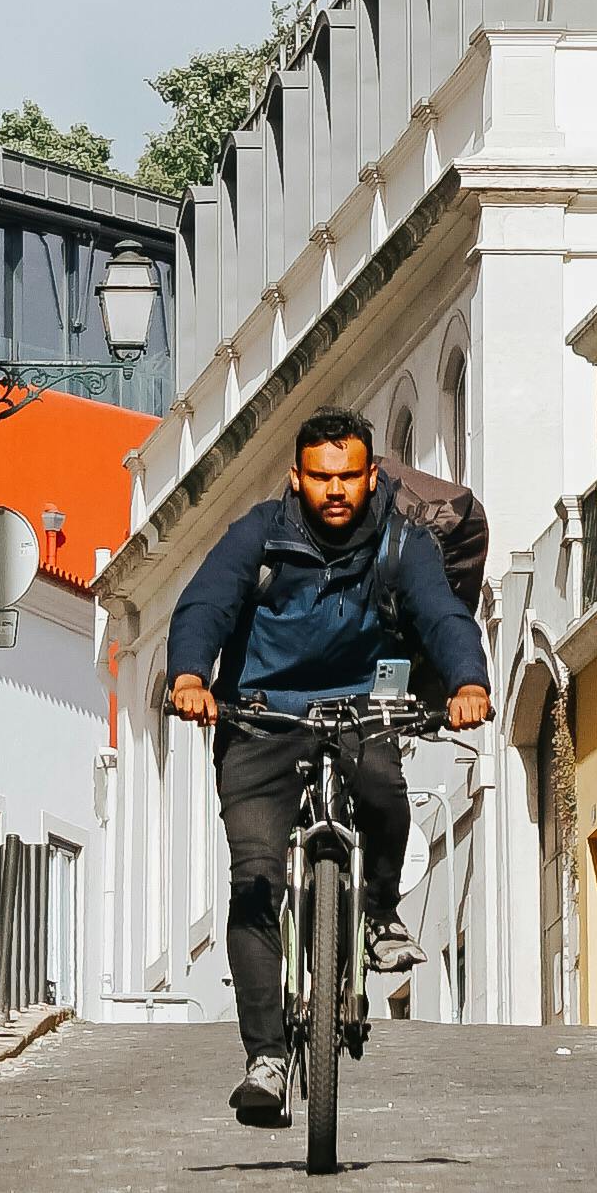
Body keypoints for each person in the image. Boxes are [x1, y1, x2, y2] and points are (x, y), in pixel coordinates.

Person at [165, 407, 492, 1128]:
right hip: (260, 715)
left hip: (358, 707)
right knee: (255, 878)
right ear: (297, 477)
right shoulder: (259, 534)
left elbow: (441, 615)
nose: (336, 490)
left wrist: (467, 681)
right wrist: (191, 675)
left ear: (371, 475)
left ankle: (378, 910)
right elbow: (206, 603)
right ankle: (266, 1059)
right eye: (321, 478)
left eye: (349, 476)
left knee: (382, 785)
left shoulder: (402, 542)